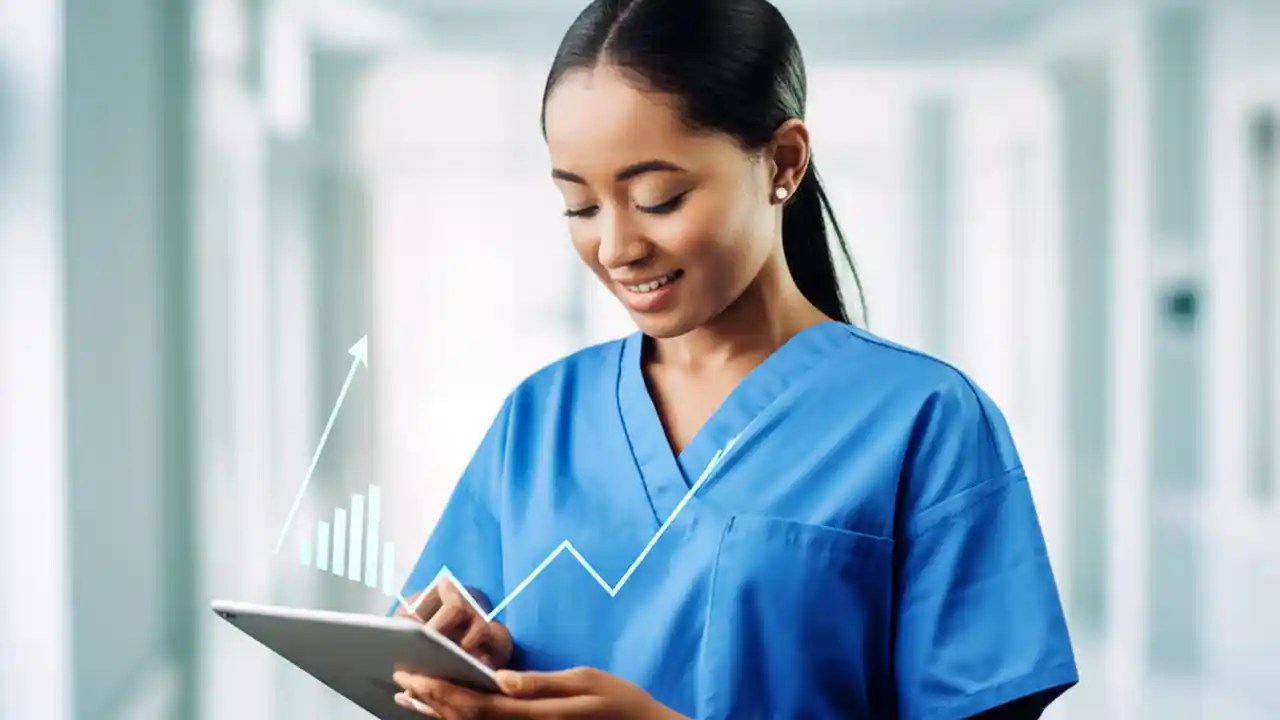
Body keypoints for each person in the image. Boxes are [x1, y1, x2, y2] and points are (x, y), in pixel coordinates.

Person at [389, 0, 1078, 717]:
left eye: (660, 198)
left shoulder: (924, 423)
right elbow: (429, 668)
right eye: (580, 207)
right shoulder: (540, 416)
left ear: (782, 162)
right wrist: (460, 663)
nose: (617, 248)